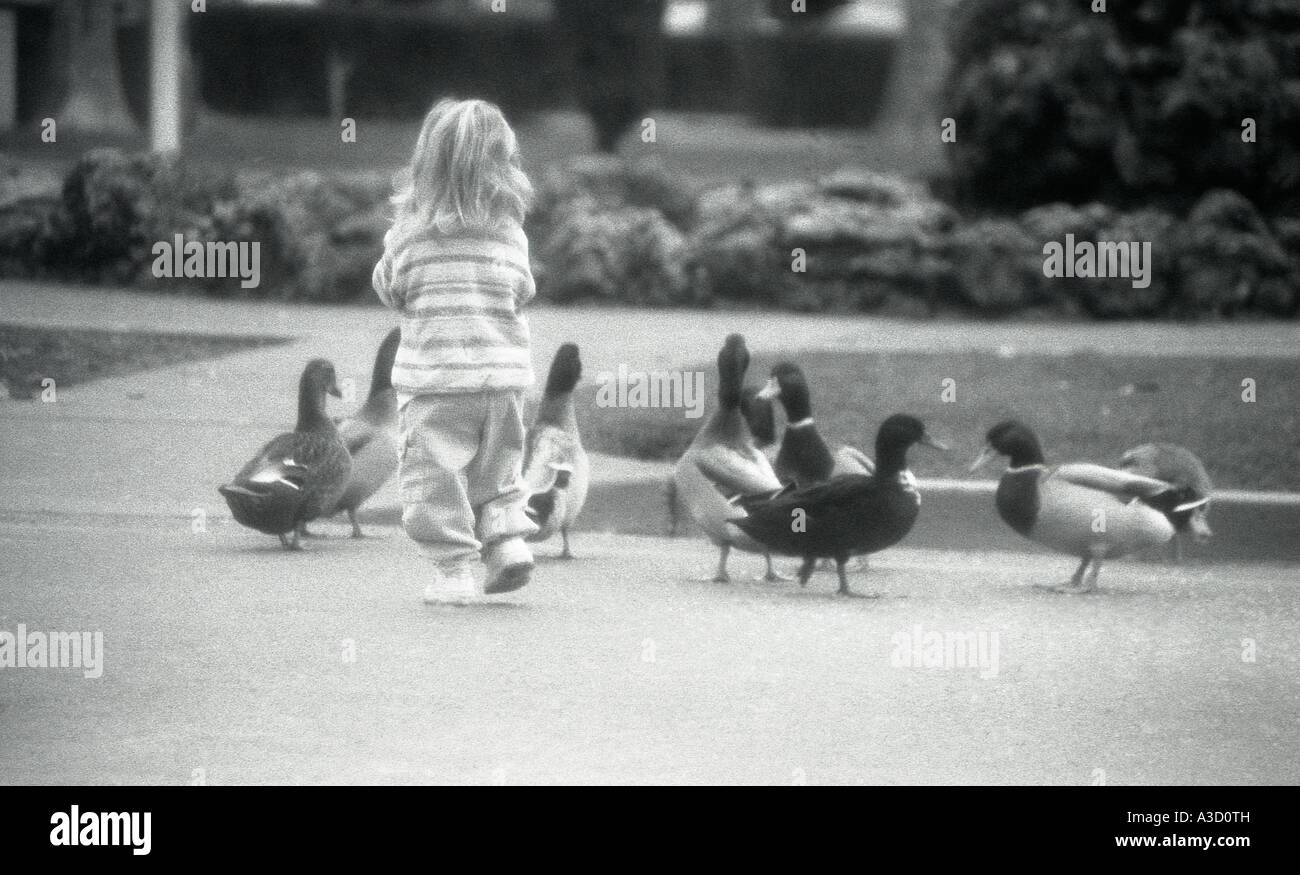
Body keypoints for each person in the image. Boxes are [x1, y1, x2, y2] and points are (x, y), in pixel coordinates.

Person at [373, 97, 539, 604]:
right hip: (503, 382)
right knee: (498, 469)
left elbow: (390, 290)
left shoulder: (408, 237)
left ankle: (453, 572)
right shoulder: (511, 235)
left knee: (433, 478)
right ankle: (507, 542)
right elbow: (522, 292)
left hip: (436, 382)